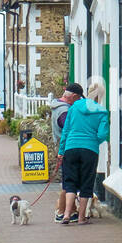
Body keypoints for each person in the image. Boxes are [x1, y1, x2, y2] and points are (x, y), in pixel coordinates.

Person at [58, 78, 109, 225]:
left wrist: (61, 151)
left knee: (70, 182)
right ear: (101, 96)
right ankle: (81, 218)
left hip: (71, 148)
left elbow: (66, 131)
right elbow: (102, 135)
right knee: (87, 182)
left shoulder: (74, 107)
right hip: (90, 151)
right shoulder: (102, 112)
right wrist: (92, 141)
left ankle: (67, 214)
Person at [48, 83, 83, 221]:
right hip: (67, 148)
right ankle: (61, 212)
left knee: (68, 180)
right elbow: (68, 128)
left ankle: (70, 210)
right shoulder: (64, 111)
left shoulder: (57, 106)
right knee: (68, 181)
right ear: (73, 96)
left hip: (63, 147)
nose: (79, 101)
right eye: (78, 98)